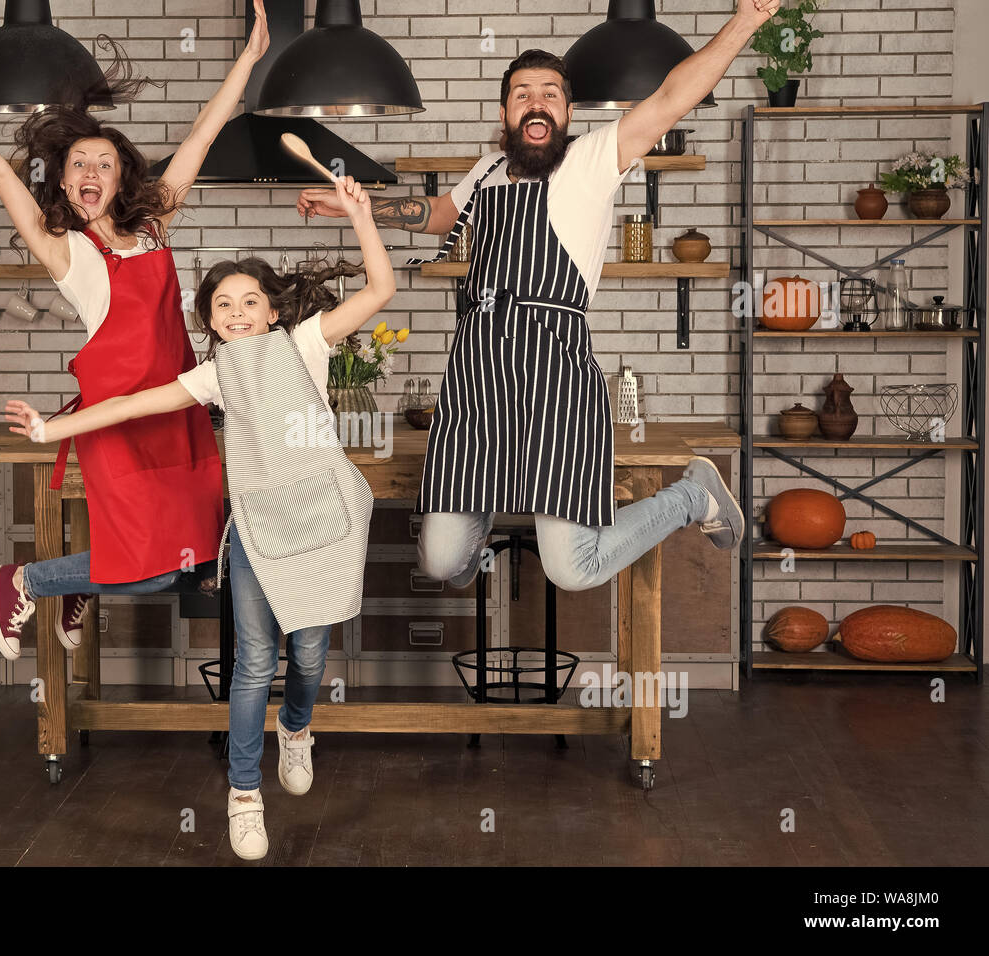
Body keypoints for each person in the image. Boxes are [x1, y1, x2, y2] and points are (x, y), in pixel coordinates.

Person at [296, 0, 783, 593]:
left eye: (550, 93)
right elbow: (439, 215)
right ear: (505, 111)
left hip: (556, 381)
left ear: (568, 111)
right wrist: (357, 206)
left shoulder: (591, 160)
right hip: (477, 380)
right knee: (443, 562)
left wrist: (747, 21)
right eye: (523, 93)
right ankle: (480, 534)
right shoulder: (487, 171)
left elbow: (671, 97)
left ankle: (691, 495)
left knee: (570, 568)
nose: (537, 102)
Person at [6, 174, 393, 861]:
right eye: (224, 304)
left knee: (307, 654)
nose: (239, 312)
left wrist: (362, 217)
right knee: (253, 665)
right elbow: (130, 406)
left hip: (321, 524)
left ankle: (297, 729)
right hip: (256, 529)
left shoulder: (304, 344)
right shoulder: (210, 377)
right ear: (210, 322)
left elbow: (379, 291)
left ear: (272, 312)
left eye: (250, 301)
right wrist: (50, 427)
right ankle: (244, 796)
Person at [0, 1, 272, 658]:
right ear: (65, 184)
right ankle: (27, 579)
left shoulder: (154, 227)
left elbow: (201, 139)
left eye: (103, 162)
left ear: (122, 174)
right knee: (150, 564)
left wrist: (247, 60)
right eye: (78, 165)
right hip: (118, 425)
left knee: (191, 562)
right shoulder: (65, 250)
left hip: (177, 410)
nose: (91, 173)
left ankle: (78, 585)